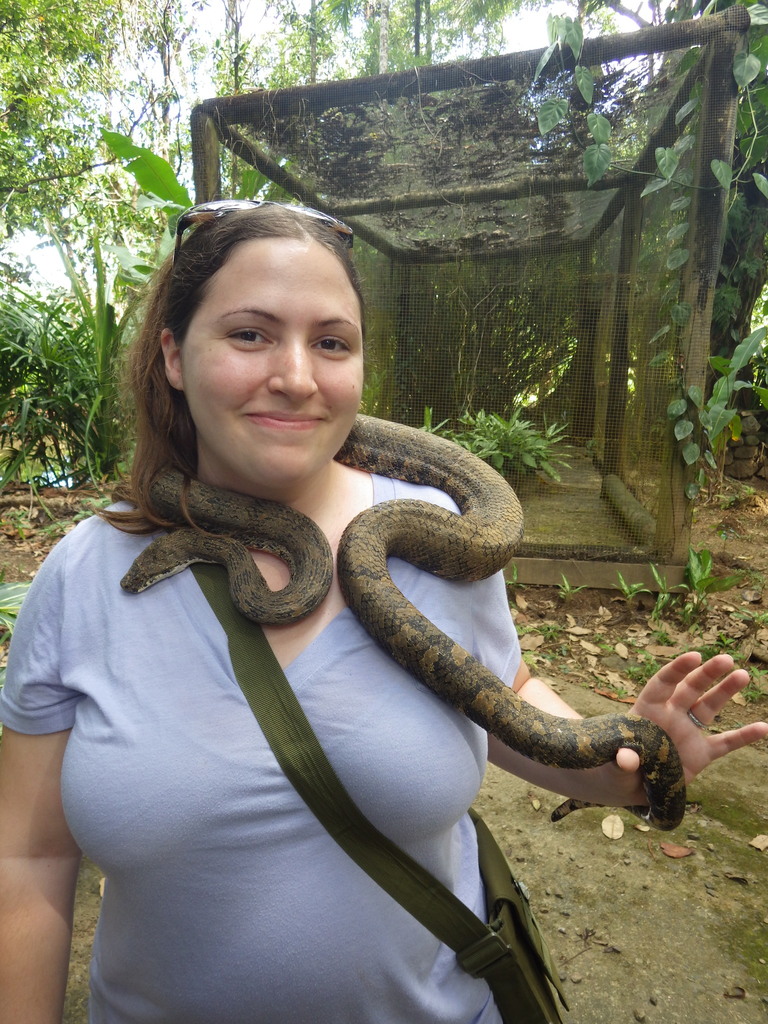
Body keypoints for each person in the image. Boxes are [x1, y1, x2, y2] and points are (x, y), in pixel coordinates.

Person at [0, 200, 765, 1024]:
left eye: (331, 342)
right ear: (174, 355)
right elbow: (28, 857)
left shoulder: (439, 532)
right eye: (250, 334)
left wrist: (618, 756)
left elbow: (505, 697)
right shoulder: (83, 574)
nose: (296, 375)